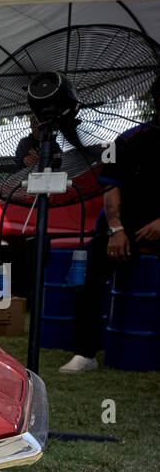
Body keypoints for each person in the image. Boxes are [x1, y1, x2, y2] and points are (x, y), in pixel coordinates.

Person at [63, 87, 160, 374]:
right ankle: (85, 353)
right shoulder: (128, 139)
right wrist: (116, 230)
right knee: (88, 275)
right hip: (123, 226)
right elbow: (111, 186)